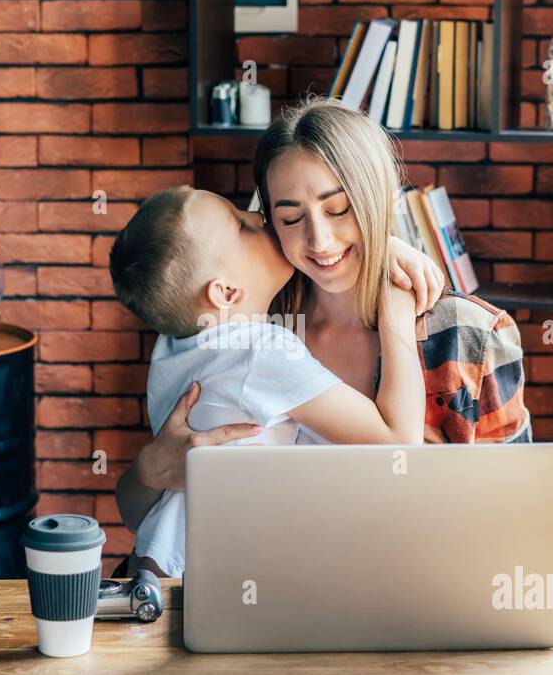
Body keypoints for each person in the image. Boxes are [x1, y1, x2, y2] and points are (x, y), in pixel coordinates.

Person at [115, 97, 531, 569]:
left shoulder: (468, 336)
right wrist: (150, 469)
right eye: (290, 219)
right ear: (270, 222)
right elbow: (137, 513)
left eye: (340, 209)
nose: (320, 242)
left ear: (376, 201)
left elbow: (517, 527)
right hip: (249, 593)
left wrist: (388, 273)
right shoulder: (247, 322)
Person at [107, 184, 425, 577]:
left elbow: (141, 510)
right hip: (221, 570)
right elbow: (399, 440)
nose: (260, 218)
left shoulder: (173, 346)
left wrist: (383, 246)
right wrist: (398, 308)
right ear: (225, 292)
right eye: (243, 227)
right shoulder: (261, 350)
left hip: (164, 558)